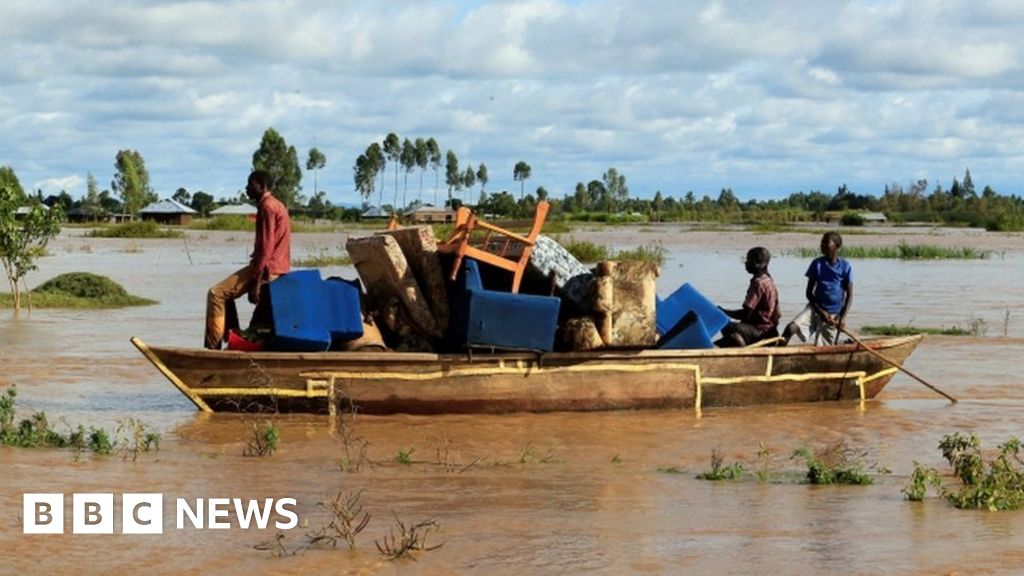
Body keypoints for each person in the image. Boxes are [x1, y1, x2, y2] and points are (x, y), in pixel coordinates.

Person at [204, 170, 291, 349]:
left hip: (267, 269)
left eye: (250, 184)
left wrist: (256, 282)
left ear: (261, 186)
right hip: (279, 268)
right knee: (228, 295)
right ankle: (233, 336)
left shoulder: (267, 207)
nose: (246, 188)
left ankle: (213, 348)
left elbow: (266, 249)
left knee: (216, 293)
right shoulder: (277, 205)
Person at [782, 231, 853, 346]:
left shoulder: (845, 267)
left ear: (837, 246)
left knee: (822, 348)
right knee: (791, 328)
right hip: (815, 309)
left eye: (826, 243)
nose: (822, 245)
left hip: (833, 316)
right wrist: (821, 312)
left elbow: (849, 295)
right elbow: (809, 293)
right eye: (822, 242)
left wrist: (842, 318)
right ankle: (776, 355)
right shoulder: (817, 264)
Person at [715, 246, 780, 347]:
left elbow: (745, 314)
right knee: (733, 330)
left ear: (759, 263)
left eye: (749, 260)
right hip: (771, 332)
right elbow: (778, 314)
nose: (746, 263)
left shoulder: (758, 284)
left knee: (725, 325)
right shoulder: (769, 281)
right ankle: (737, 340)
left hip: (761, 332)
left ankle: (742, 346)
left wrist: (723, 312)